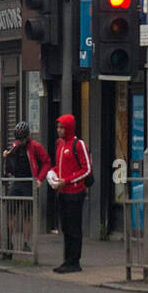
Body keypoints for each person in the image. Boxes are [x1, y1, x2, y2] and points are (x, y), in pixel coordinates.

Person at [49, 113, 91, 273]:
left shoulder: (78, 144)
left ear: (69, 128)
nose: (59, 130)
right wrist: (52, 173)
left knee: (74, 227)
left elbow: (86, 169)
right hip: (63, 191)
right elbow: (59, 167)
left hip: (75, 192)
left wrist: (68, 180)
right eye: (58, 127)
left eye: (62, 127)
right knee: (66, 227)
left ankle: (74, 261)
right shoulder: (60, 146)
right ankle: (67, 259)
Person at [2, 121, 50, 248]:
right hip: (17, 181)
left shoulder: (35, 146)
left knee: (27, 215)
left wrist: (40, 179)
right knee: (9, 212)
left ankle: (26, 242)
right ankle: (8, 241)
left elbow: (46, 162)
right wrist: (7, 157)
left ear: (27, 137)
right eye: (19, 139)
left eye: (23, 139)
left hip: (30, 183)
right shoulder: (15, 145)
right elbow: (10, 163)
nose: (21, 142)